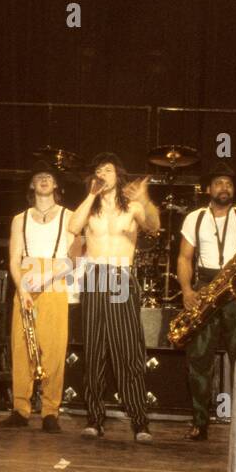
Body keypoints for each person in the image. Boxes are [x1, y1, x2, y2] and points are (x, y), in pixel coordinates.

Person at [67, 153, 161, 442]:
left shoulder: (131, 207)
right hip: (94, 275)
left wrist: (145, 199)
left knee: (126, 348)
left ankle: (139, 420)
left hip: (120, 275)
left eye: (107, 169)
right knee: (95, 349)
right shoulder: (90, 208)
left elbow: (153, 226)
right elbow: (73, 227)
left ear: (118, 175)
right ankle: (94, 418)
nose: (102, 173)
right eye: (98, 170)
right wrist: (90, 195)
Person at [177, 163, 236, 440]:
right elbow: (184, 257)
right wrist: (186, 290)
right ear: (208, 189)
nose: (224, 188)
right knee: (198, 358)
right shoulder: (194, 218)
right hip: (206, 285)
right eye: (218, 183)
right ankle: (200, 421)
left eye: (229, 184)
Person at [0, 165, 81, 432]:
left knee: (54, 347)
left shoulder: (70, 217)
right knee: (22, 344)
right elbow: (14, 258)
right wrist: (22, 288)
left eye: (49, 177)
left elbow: (74, 258)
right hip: (26, 277)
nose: (44, 179)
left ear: (56, 185)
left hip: (55, 277)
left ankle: (50, 411)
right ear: (32, 186)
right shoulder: (19, 219)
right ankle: (20, 409)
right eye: (39, 177)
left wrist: (45, 279)